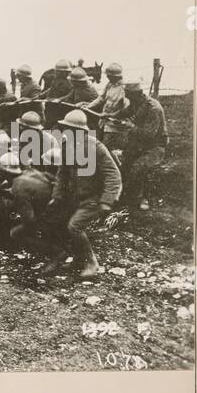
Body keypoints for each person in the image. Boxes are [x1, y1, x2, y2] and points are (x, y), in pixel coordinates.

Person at [48, 109, 123, 277]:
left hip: (93, 198)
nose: (68, 132)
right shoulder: (67, 146)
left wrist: (107, 201)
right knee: (62, 224)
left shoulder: (96, 147)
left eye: (72, 129)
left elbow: (113, 175)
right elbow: (62, 173)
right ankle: (78, 258)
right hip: (74, 197)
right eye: (66, 128)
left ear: (81, 131)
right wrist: (57, 196)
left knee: (74, 227)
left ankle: (92, 262)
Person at [109, 82, 167, 211]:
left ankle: (144, 198)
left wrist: (130, 127)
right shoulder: (136, 103)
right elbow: (125, 111)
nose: (126, 97)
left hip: (154, 147)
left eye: (128, 94)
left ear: (137, 94)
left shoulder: (153, 108)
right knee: (124, 167)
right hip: (139, 144)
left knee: (139, 167)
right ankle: (124, 195)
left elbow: (149, 134)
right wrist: (110, 115)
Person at [87, 61, 129, 149]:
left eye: (109, 75)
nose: (106, 76)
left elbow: (126, 109)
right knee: (97, 145)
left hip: (114, 125)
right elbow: (102, 98)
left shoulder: (124, 88)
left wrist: (111, 115)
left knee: (105, 148)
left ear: (115, 76)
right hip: (103, 122)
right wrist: (89, 106)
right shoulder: (109, 84)